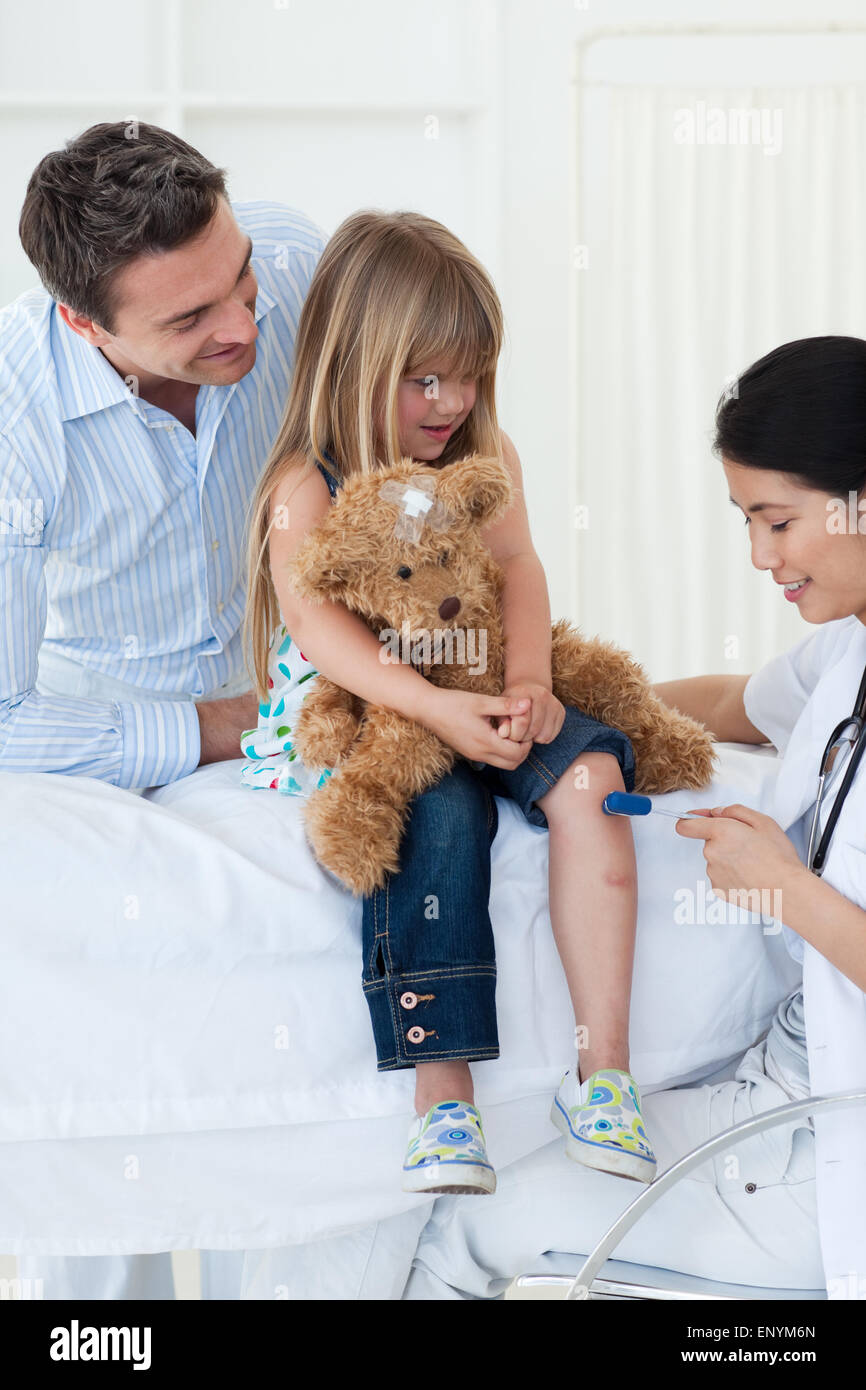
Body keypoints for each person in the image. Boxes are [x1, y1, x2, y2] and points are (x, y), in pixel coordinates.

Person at [401, 335, 866, 1299]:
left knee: (462, 1233)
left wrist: (788, 891)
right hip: (781, 1093)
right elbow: (739, 700)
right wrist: (571, 723)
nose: (759, 558)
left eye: (778, 522)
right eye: (746, 522)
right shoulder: (847, 652)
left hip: (827, 1157)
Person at [241, 207, 659, 1200]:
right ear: (354, 365)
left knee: (595, 779)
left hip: (481, 681)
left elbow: (515, 567)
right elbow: (315, 627)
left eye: (468, 373)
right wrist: (428, 712)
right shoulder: (308, 486)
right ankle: (442, 1095)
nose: (451, 398)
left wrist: (526, 684)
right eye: (424, 378)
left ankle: (602, 1073)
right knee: (433, 820)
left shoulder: (485, 454)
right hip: (384, 706)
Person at [1, 120, 327, 1297]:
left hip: (289, 743)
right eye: (189, 322)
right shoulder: (13, 420)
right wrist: (214, 724)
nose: (239, 325)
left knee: (282, 1083)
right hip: (94, 770)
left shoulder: (294, 263)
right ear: (85, 324)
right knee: (104, 1091)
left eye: (233, 281)